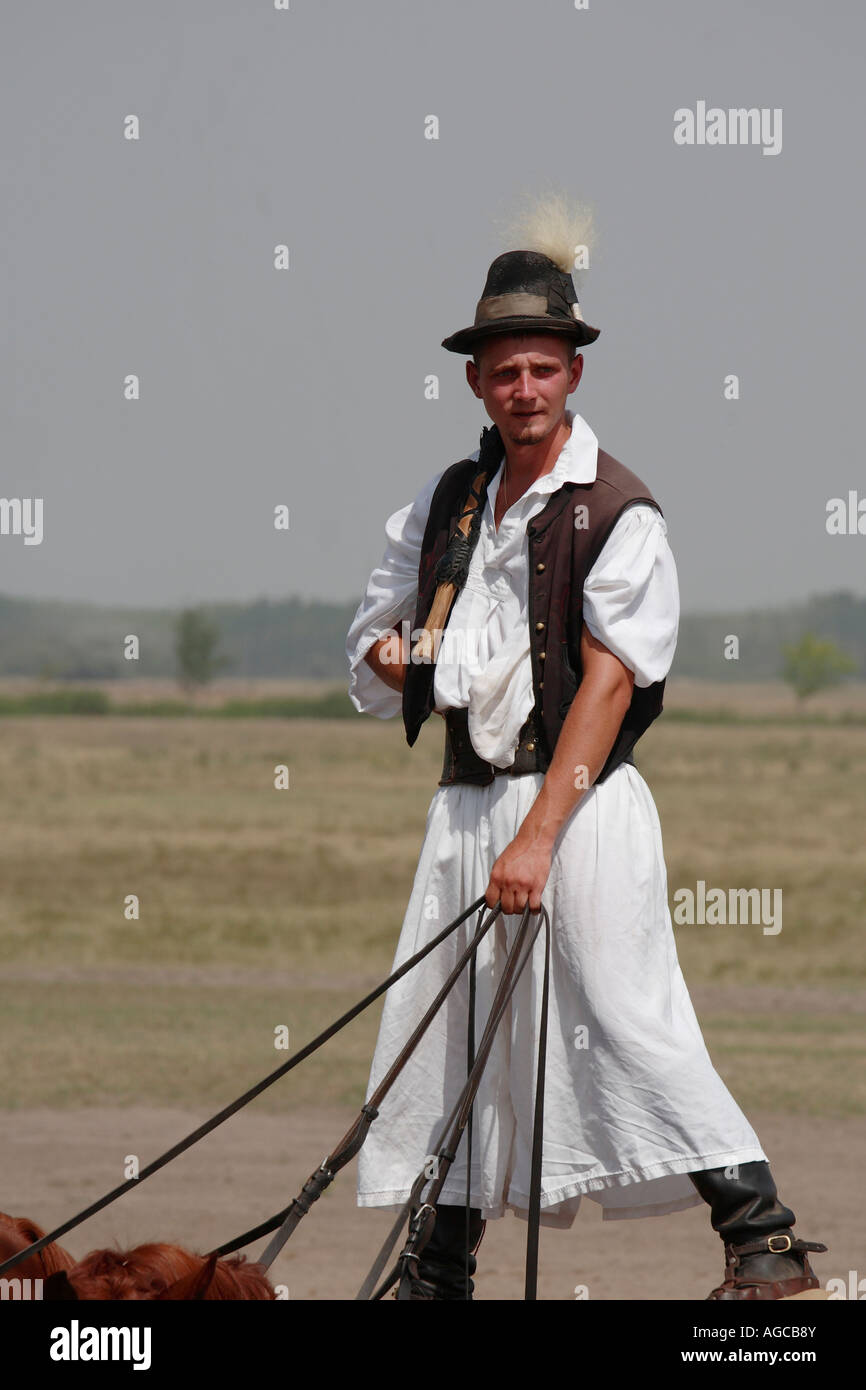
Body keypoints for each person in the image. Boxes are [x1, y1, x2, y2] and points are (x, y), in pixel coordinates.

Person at [345, 222, 827, 1300]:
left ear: (573, 371)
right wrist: (420, 651)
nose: (522, 388)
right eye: (503, 370)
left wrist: (537, 834)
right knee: (459, 1031)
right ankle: (436, 1271)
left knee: (622, 1009)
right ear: (473, 381)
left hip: (577, 802)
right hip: (464, 803)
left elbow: (608, 686)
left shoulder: (618, 510)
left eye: (540, 368)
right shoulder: (443, 507)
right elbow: (374, 649)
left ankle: (764, 1243)